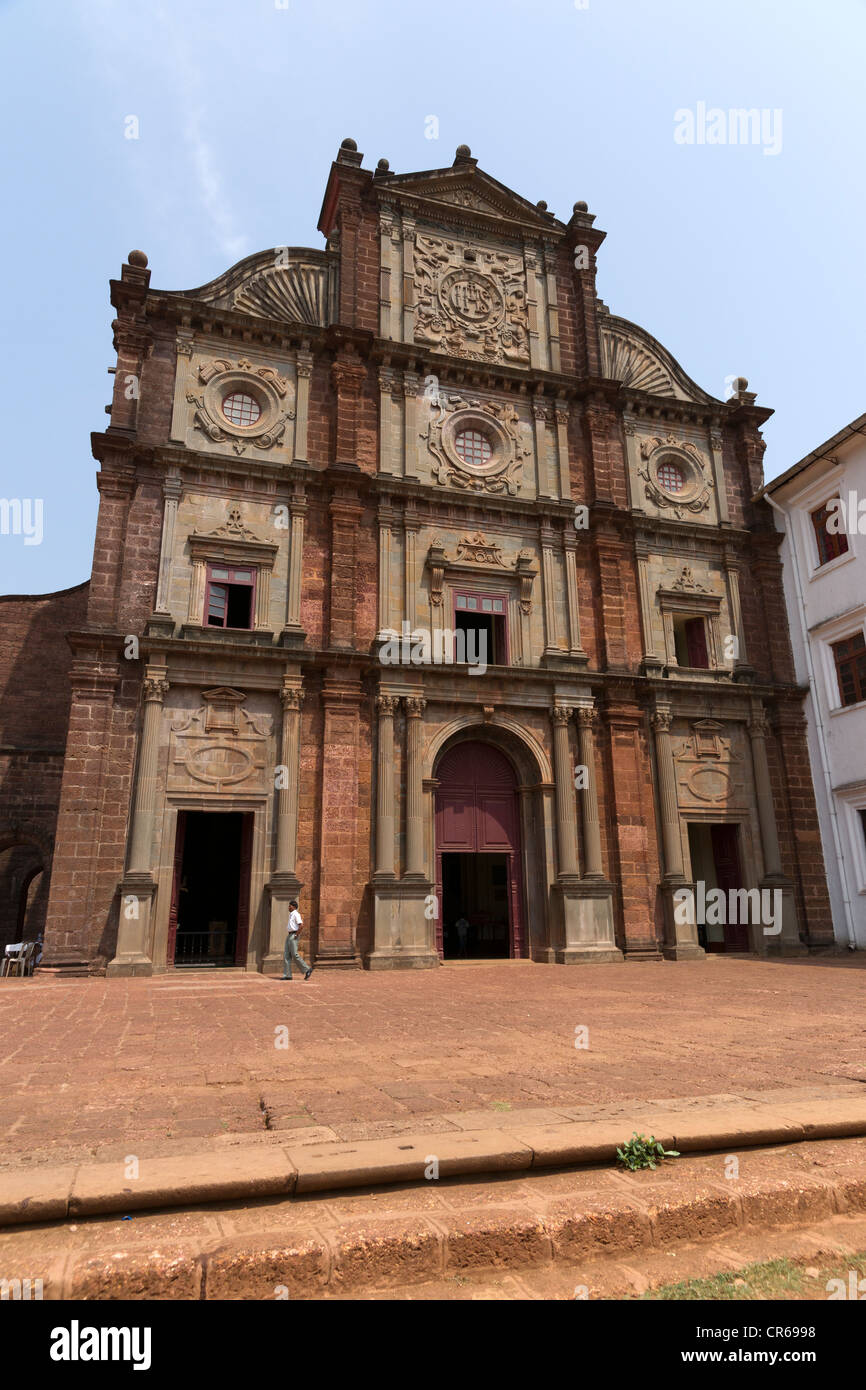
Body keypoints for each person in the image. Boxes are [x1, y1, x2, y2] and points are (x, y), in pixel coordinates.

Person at [283, 899, 313, 981]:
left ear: (293, 907)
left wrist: (296, 934)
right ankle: (287, 975)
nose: (288, 907)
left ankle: (307, 969)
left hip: (294, 935)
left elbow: (301, 925)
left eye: (290, 906)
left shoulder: (296, 914)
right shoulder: (291, 915)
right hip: (289, 935)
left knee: (295, 954)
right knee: (286, 955)